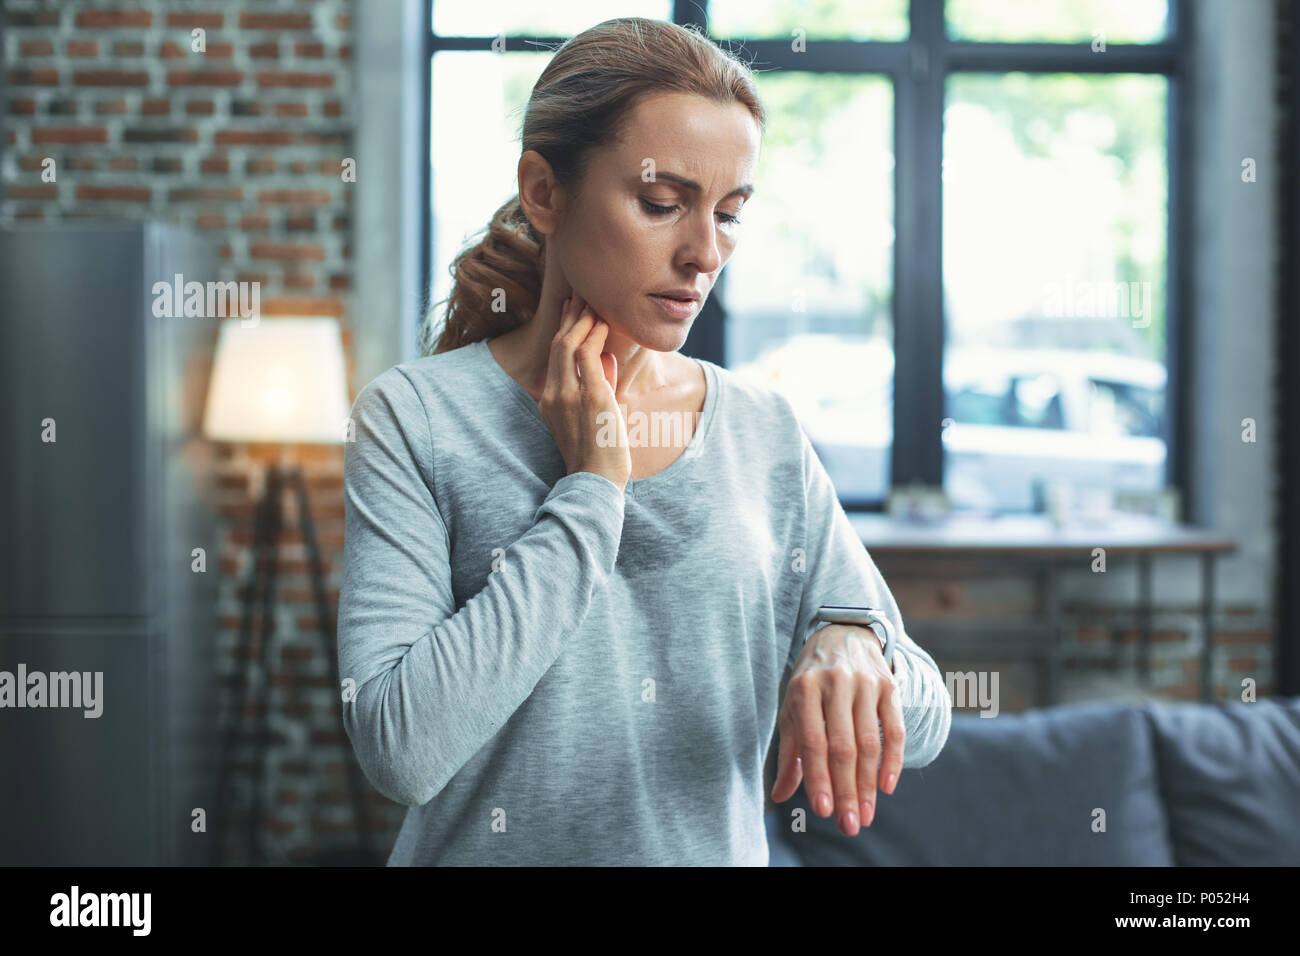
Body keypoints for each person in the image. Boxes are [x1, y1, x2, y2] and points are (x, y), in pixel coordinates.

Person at [339, 16, 951, 866]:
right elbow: (400, 748)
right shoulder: (414, 417)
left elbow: (925, 714)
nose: (704, 253)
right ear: (545, 191)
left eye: (730, 214)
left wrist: (855, 640)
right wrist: (592, 489)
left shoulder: (759, 429)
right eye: (663, 205)